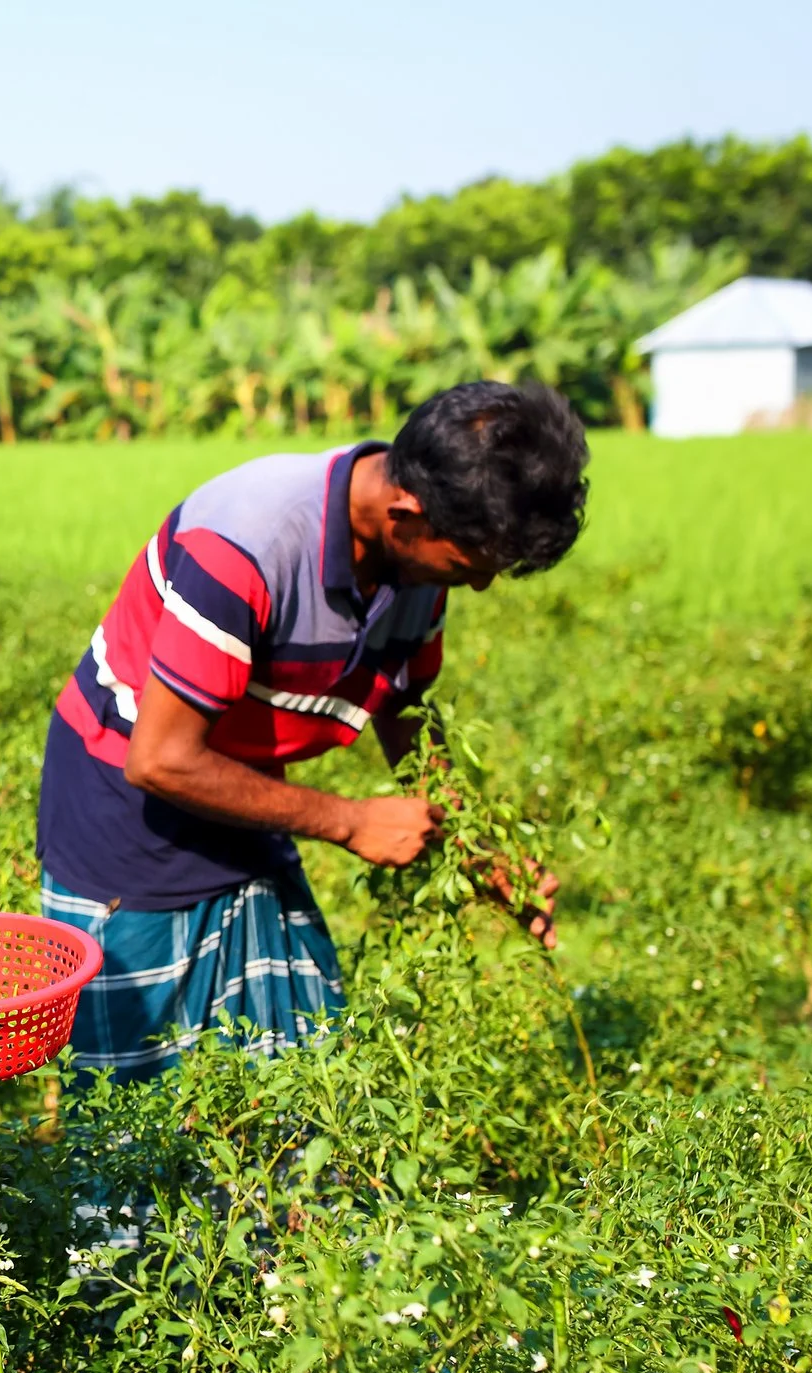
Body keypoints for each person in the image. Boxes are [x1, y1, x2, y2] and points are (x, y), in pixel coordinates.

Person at [37, 380, 588, 1079]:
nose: (475, 587)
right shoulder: (247, 541)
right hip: (126, 821)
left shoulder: (415, 561)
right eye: (469, 567)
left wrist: (479, 848)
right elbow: (163, 760)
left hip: (239, 799)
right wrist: (350, 821)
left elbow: (406, 708)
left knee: (304, 1086)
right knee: (136, 1119)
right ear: (406, 515)